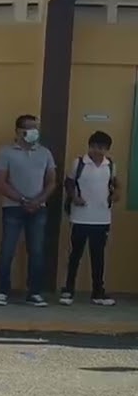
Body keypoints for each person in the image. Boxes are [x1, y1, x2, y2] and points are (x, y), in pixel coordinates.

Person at [0, 114, 55, 307]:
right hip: (13, 208)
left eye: (36, 127)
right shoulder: (6, 152)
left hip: (39, 209)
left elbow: (52, 181)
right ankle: (3, 291)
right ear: (19, 131)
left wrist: (38, 201)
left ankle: (34, 292)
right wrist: (22, 199)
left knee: (36, 251)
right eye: (29, 128)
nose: (34, 132)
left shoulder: (45, 152)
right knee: (7, 251)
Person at [59, 130, 118, 307]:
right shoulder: (79, 163)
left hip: (102, 218)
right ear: (89, 146)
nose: (96, 151)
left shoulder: (110, 165)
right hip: (80, 218)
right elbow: (68, 182)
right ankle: (68, 290)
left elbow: (115, 183)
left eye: (101, 148)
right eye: (93, 146)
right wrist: (74, 197)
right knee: (75, 255)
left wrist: (116, 195)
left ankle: (97, 292)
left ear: (107, 149)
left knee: (98, 257)